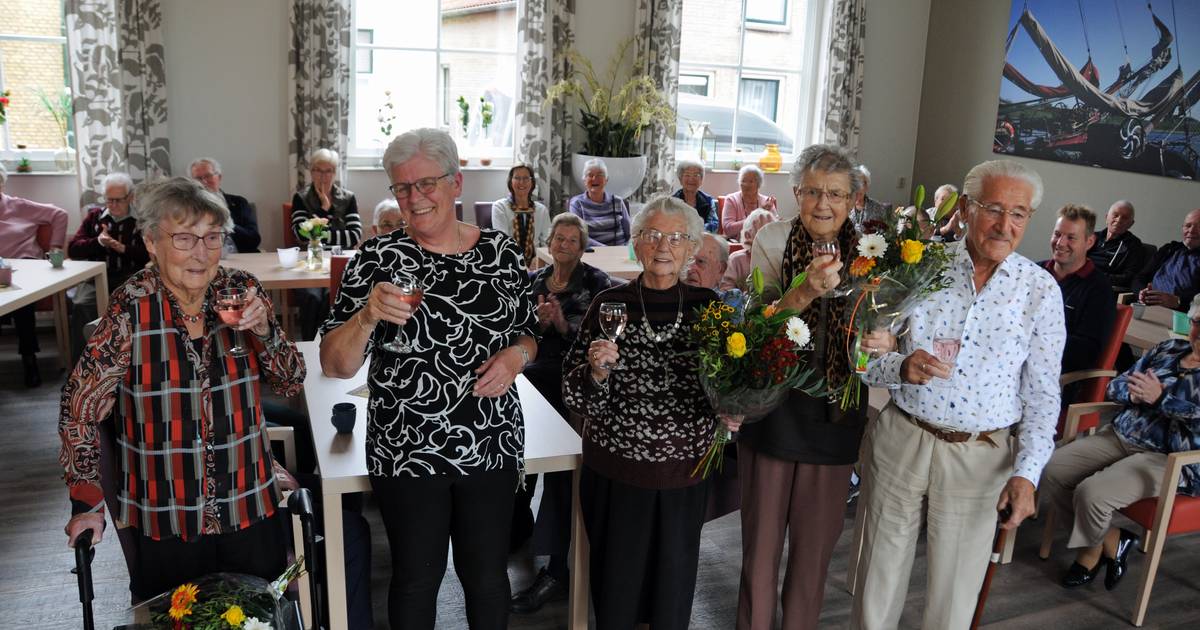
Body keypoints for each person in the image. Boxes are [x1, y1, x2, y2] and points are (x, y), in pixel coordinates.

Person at [319, 127, 537, 629]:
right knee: (416, 580)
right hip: (406, 448)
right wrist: (367, 316)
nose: (414, 198)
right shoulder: (376, 259)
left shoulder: (502, 253)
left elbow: (529, 334)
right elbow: (335, 365)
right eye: (401, 187)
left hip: (490, 442)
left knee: (487, 577)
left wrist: (516, 357)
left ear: (456, 183)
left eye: (425, 184)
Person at [60, 176, 305, 602]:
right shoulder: (132, 307)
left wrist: (265, 330)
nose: (201, 252)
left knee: (258, 616)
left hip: (248, 500)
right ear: (151, 242)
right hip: (167, 513)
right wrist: (87, 501)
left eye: (212, 237)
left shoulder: (241, 291)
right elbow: (80, 406)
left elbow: (290, 380)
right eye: (185, 238)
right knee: (177, 619)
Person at [852, 159, 1065, 630]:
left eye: (1018, 213)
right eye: (993, 208)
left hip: (980, 456)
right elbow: (862, 362)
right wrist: (900, 366)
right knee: (876, 581)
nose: (1005, 225)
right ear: (966, 209)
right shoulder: (918, 267)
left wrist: (1027, 474)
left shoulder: (1040, 291)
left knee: (954, 598)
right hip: (903, 437)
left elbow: (1043, 396)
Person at [562, 196, 718, 630]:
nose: (663, 246)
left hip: (684, 472)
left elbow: (731, 386)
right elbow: (574, 395)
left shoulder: (710, 307)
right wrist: (596, 373)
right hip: (617, 472)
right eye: (652, 235)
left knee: (672, 590)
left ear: (692, 248)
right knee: (618, 589)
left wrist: (732, 405)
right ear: (636, 244)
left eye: (677, 238)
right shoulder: (608, 304)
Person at [736, 144, 872, 630]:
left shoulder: (872, 252)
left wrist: (882, 339)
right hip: (773, 406)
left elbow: (879, 327)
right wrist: (806, 290)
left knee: (813, 555)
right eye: (813, 191)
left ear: (853, 199)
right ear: (796, 193)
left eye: (835, 194)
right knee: (760, 550)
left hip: (835, 412)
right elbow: (756, 327)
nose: (823, 204)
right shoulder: (772, 239)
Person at [1039, 304, 1200, 590]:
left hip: (1169, 457)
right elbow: (1116, 387)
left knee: (1092, 493)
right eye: (1198, 321)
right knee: (1052, 468)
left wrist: (1161, 399)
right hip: (1121, 435)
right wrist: (1135, 396)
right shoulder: (1168, 349)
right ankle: (1112, 540)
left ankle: (1090, 554)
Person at [510, 213, 617, 614]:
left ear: (582, 246)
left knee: (556, 464)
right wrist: (536, 327)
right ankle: (515, 525)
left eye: (573, 240)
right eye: (559, 238)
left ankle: (556, 568)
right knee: (514, 434)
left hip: (573, 379)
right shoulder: (533, 280)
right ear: (549, 242)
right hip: (534, 374)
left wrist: (562, 325)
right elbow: (514, 332)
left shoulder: (597, 283)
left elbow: (600, 344)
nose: (564, 245)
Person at [68, 172, 151, 357]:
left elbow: (149, 254)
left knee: (137, 306)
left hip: (128, 277)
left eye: (118, 200)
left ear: (130, 197)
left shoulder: (141, 221)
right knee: (81, 304)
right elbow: (73, 250)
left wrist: (122, 248)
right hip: (96, 278)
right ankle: (83, 364)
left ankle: (129, 361)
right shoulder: (94, 217)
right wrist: (97, 242)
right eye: (109, 200)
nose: (113, 205)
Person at [0, 162, 68, 386]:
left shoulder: (18, 206)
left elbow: (59, 214)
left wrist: (55, 247)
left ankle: (29, 360)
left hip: (24, 267)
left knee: (22, 301)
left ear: (2, 184)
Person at [290, 148, 361, 339]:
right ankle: (309, 344)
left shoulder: (348, 198)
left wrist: (318, 231)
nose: (324, 176)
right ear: (311, 172)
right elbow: (301, 235)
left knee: (333, 294)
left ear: (335, 173)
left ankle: (331, 343)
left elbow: (354, 236)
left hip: (340, 260)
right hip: (311, 261)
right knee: (312, 296)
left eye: (329, 170)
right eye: (318, 170)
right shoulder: (301, 198)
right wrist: (324, 211)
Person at [1039, 204, 1115, 374]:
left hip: (1056, 375)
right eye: (1057, 234)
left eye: (1071, 238)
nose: (1060, 243)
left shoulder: (1099, 290)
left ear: (1089, 242)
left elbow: (1086, 353)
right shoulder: (1034, 273)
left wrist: (1036, 338)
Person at [190, 157, 261, 253]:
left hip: (241, 256)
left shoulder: (239, 202)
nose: (204, 182)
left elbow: (254, 240)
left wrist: (227, 223)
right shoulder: (187, 208)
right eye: (198, 178)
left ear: (219, 177)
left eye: (208, 176)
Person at [1134, 208, 1200, 311]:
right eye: (1188, 226)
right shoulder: (1168, 249)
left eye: (1199, 226)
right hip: (1148, 307)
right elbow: (1139, 278)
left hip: (1184, 314)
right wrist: (1141, 292)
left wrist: (1178, 302)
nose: (1191, 230)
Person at [492, 164, 551, 267]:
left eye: (526, 178)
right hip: (508, 262)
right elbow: (502, 242)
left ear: (532, 182)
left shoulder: (542, 210)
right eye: (517, 178)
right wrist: (519, 264)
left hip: (537, 263)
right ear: (511, 181)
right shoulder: (499, 207)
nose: (521, 182)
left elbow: (547, 241)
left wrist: (539, 259)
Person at [568, 158, 631, 246]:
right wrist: (605, 249)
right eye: (590, 175)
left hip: (620, 250)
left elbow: (630, 232)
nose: (594, 178)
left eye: (600, 175)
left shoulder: (617, 201)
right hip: (593, 251)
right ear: (584, 180)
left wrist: (626, 249)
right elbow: (578, 235)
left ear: (606, 180)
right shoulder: (577, 203)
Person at [1087, 200, 1145, 290]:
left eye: (1125, 218)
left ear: (1131, 224)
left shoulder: (1133, 245)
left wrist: (1097, 277)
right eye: (1115, 215)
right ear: (1106, 217)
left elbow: (1129, 277)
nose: (1119, 220)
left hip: (1102, 287)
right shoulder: (1092, 237)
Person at [721, 208, 775, 291]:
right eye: (763, 233)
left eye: (773, 233)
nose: (769, 238)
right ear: (748, 235)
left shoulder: (778, 258)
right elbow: (725, 291)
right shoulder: (736, 260)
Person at [721, 164, 777, 240]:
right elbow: (728, 229)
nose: (746, 184)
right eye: (743, 181)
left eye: (751, 181)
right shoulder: (731, 200)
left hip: (762, 243)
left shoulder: (767, 202)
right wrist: (758, 213)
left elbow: (775, 228)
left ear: (758, 184)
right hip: (738, 243)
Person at [672, 158, 718, 233]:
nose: (691, 179)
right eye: (687, 175)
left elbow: (714, 224)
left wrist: (696, 230)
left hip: (702, 237)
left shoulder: (708, 200)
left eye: (696, 175)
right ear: (680, 179)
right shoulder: (673, 201)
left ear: (701, 180)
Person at [848, 164, 891, 233]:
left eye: (861, 184)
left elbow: (885, 233)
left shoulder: (878, 208)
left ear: (867, 186)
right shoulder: (842, 208)